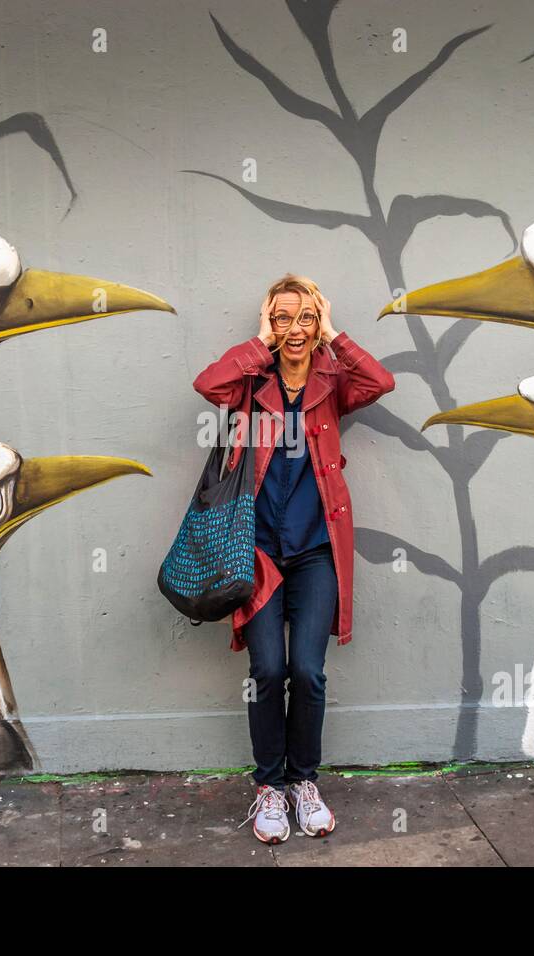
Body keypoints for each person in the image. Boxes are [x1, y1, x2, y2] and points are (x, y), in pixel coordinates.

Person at [192, 274, 396, 843]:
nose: (296, 330)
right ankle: (268, 789)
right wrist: (260, 341)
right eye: (283, 318)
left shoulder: (333, 384)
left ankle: (304, 782)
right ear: (270, 324)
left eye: (305, 318)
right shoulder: (251, 381)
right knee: (267, 671)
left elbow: (381, 380)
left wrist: (335, 331)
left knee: (306, 671)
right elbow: (207, 383)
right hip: (257, 554)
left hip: (315, 553)